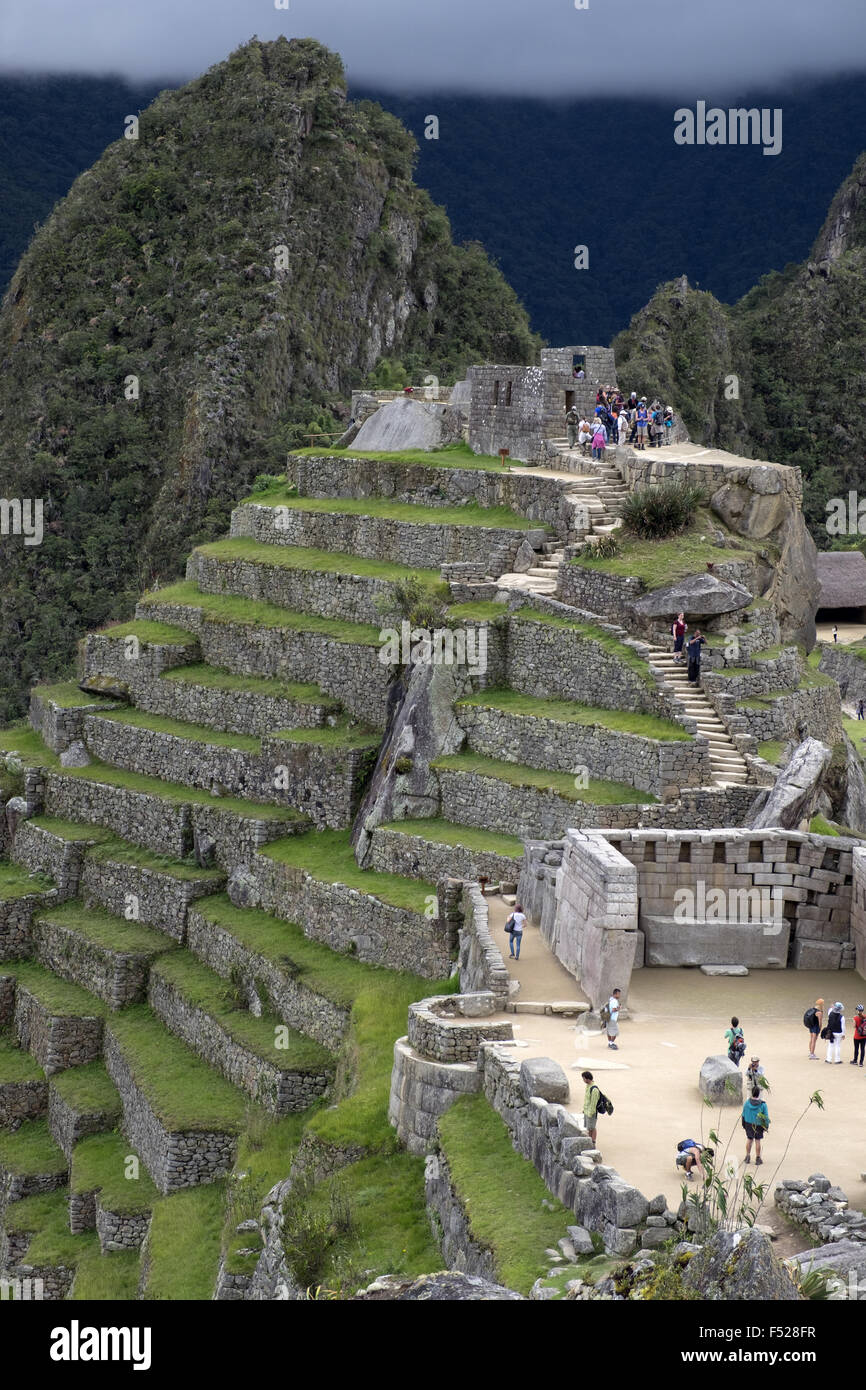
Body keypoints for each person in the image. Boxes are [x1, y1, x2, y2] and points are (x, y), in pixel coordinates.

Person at [742, 1087, 770, 1165]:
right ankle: (758, 1158)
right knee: (758, 1141)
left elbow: (743, 1114)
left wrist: (743, 1124)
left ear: (752, 1093)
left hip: (748, 1123)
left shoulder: (747, 1103)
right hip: (758, 1125)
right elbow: (766, 1117)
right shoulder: (763, 1105)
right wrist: (766, 1126)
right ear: (759, 1094)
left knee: (749, 1139)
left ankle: (747, 1156)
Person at [581, 1071, 601, 1145]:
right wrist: (584, 1109)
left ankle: (593, 1141)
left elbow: (593, 1103)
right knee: (589, 1128)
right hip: (587, 1111)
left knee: (592, 1127)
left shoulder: (594, 1089)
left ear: (587, 1079)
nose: (583, 1080)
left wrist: (590, 1113)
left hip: (591, 1112)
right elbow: (587, 1100)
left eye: (583, 1079)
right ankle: (590, 1140)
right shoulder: (588, 1086)